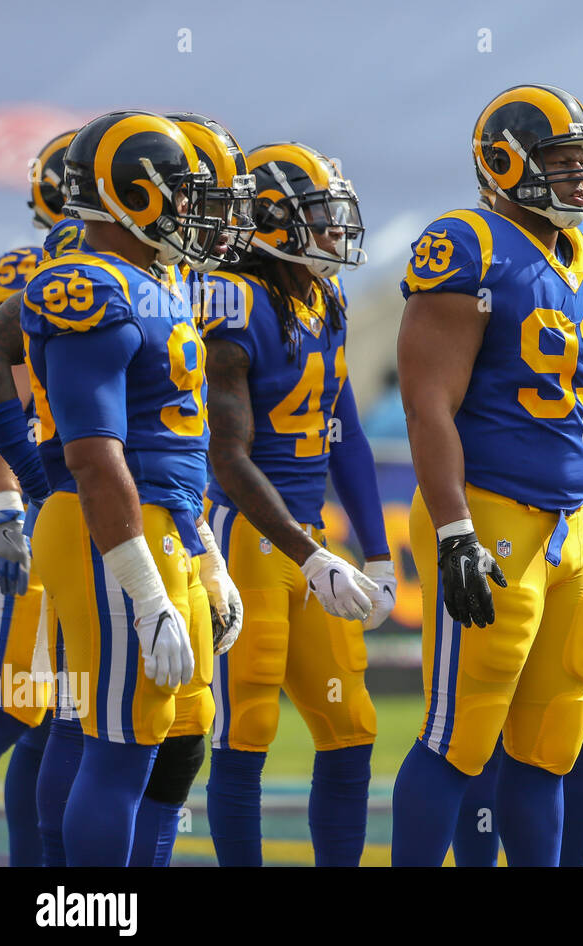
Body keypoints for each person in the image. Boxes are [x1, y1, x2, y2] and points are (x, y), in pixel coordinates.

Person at [393, 84, 583, 866]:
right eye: (560, 161)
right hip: (487, 510)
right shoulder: (465, 246)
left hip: (572, 524)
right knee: (461, 732)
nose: (578, 177)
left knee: (554, 734)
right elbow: (427, 407)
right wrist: (452, 534)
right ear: (504, 162)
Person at [19, 109, 244, 866]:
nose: (197, 213)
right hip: (108, 531)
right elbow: (92, 455)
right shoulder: (85, 283)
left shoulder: (153, 278)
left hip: (160, 522)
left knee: (174, 732)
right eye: (183, 193)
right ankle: (87, 916)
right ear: (135, 193)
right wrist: (146, 595)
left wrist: (206, 547)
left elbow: (172, 441)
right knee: (117, 743)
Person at [201, 141, 393, 867]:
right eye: (319, 217)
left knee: (351, 725)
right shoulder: (234, 301)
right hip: (243, 532)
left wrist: (375, 550)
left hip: (305, 537)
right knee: (244, 723)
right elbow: (227, 457)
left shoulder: (326, 297)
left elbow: (343, 436)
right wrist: (311, 555)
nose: (336, 233)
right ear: (274, 223)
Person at [0, 128, 72, 866]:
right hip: (34, 509)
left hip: (74, 511)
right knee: (11, 703)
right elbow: (6, 402)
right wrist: (7, 506)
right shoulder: (30, 276)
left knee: (51, 717)